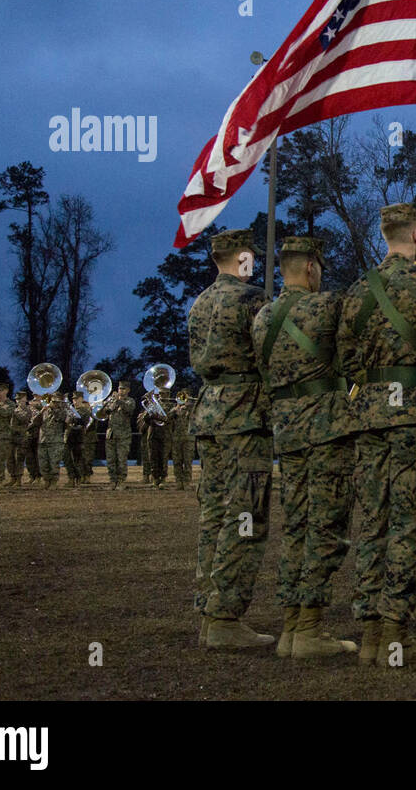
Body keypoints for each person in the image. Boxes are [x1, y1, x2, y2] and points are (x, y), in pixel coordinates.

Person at [337, 203, 416, 667]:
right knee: (415, 523)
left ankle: (370, 633)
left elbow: (347, 359)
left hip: (368, 417)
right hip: (413, 418)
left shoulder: (355, 292)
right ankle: (395, 634)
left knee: (373, 523)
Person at [252, 236, 357, 659]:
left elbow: (265, 371)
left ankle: (292, 627)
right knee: (326, 527)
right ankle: (310, 629)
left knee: (295, 526)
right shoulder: (327, 306)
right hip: (328, 431)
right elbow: (353, 360)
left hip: (289, 433)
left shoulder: (262, 318)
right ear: (312, 268)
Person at [189, 228, 274, 650]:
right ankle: (225, 616)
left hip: (210, 414)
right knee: (246, 517)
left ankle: (209, 609)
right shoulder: (250, 300)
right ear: (243, 258)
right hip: (245, 416)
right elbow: (272, 354)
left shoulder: (200, 303)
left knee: (214, 516)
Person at [103, 382, 138, 490]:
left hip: (123, 435)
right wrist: (107, 403)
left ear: (128, 390)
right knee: (111, 459)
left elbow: (129, 409)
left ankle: (121, 481)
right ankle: (112, 481)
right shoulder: (112, 401)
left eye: (123, 389)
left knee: (121, 459)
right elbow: (104, 412)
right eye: (119, 388)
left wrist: (118, 400)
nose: (120, 391)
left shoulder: (130, 401)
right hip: (111, 434)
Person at [29, 394, 67, 489]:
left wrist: (53, 410)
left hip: (55, 441)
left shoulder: (62, 411)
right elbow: (34, 422)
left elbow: (61, 418)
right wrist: (41, 411)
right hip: (43, 440)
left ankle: (53, 481)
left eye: (56, 402)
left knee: (54, 463)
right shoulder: (44, 411)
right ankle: (46, 480)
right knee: (43, 463)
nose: (54, 404)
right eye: (53, 402)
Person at [167, 392, 197, 489]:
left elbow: (196, 414)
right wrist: (176, 408)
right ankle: (178, 482)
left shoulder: (192, 409)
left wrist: (188, 406)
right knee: (177, 461)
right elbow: (167, 417)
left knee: (188, 461)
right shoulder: (175, 409)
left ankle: (187, 482)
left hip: (189, 439)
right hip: (177, 438)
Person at [138, 400, 168, 488]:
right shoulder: (149, 408)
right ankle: (155, 479)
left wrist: (156, 415)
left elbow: (166, 418)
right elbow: (145, 421)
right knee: (152, 457)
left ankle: (162, 479)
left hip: (163, 434)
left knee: (162, 457)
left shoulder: (164, 407)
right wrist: (148, 414)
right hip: (152, 435)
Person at [9, 390, 32, 486]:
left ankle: (18, 479)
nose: (19, 402)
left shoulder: (28, 410)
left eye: (21, 400)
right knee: (10, 458)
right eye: (18, 400)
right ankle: (12, 477)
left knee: (19, 458)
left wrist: (13, 413)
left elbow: (24, 419)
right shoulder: (15, 410)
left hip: (22, 437)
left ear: (25, 400)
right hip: (12, 436)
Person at [64, 392, 87, 488]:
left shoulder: (85, 410)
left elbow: (82, 421)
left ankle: (79, 477)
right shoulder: (70, 410)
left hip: (79, 437)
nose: (75, 401)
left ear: (81, 399)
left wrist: (72, 413)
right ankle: (71, 478)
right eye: (73, 399)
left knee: (78, 459)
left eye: (77, 399)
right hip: (69, 436)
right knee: (67, 459)